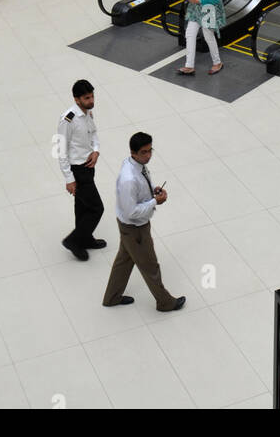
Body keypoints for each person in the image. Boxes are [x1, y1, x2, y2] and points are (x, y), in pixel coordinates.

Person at [101, 132, 185, 312]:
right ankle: (165, 302)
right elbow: (131, 212)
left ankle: (112, 297)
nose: (148, 156)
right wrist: (155, 201)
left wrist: (150, 192)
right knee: (150, 266)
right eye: (144, 152)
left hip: (129, 229)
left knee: (124, 261)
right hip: (135, 229)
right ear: (133, 152)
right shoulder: (128, 179)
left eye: (150, 150)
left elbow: (138, 192)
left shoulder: (136, 165)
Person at [58, 79, 105, 261]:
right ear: (76, 99)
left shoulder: (88, 114)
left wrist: (96, 151)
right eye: (87, 98)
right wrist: (69, 178)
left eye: (92, 96)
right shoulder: (68, 120)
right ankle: (73, 241)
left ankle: (85, 239)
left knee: (82, 207)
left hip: (88, 165)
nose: (91, 100)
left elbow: (93, 133)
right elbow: (61, 150)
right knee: (96, 208)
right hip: (78, 169)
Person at [179, 0, 225, 76]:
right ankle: (189, 66)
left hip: (208, 9)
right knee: (189, 34)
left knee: (208, 36)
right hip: (196, 8)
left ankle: (217, 62)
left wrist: (199, 1)